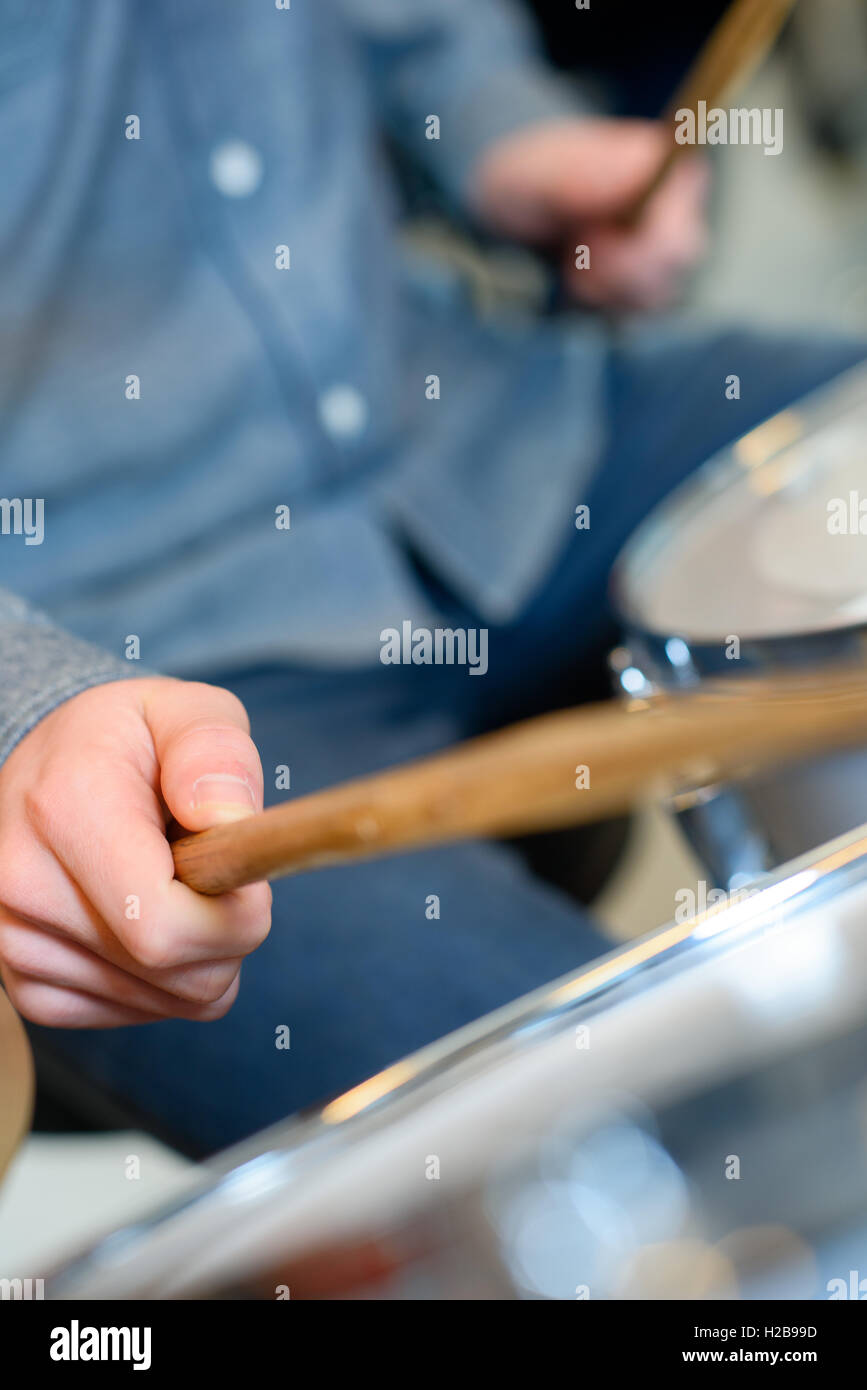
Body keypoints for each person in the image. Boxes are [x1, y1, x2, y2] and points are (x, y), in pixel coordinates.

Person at [0, 0, 862, 1154]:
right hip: (129, 656)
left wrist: (496, 129)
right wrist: (22, 706)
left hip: (484, 423)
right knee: (690, 1148)